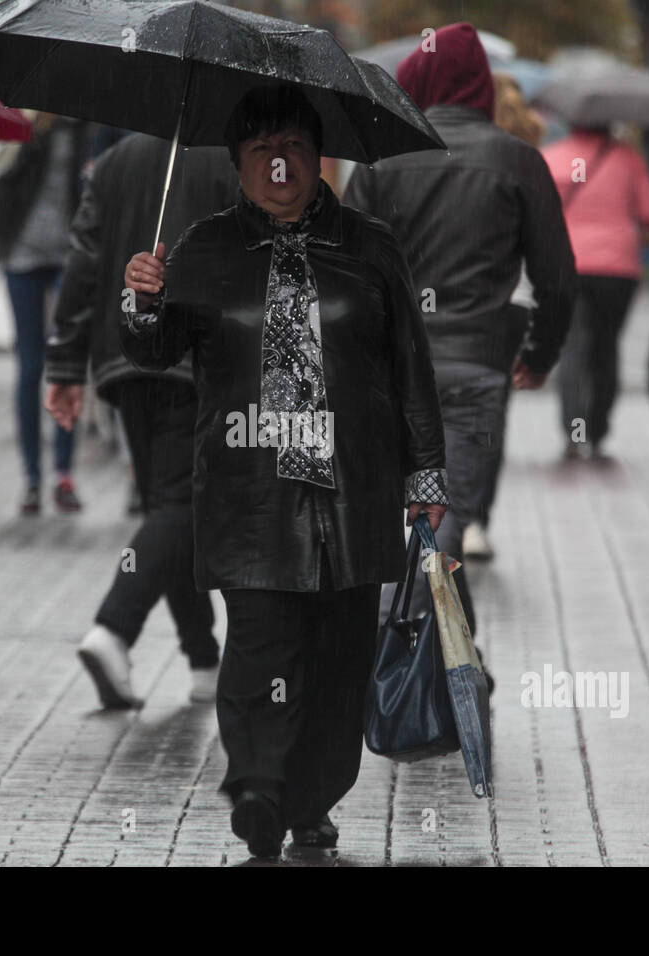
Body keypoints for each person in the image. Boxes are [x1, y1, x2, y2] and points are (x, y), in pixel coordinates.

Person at [122, 85, 448, 859]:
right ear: (237, 162)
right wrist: (142, 301)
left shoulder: (370, 245)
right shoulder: (203, 246)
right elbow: (154, 350)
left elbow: (410, 365)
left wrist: (426, 476)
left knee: (338, 657)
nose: (280, 162)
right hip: (250, 488)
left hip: (353, 484)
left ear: (319, 156)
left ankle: (313, 801)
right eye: (262, 147)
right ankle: (260, 787)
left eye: (295, 146)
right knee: (262, 642)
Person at [343, 22, 576, 627]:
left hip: (391, 375)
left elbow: (344, 268)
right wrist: (540, 352)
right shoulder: (517, 160)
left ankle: (456, 682)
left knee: (430, 531)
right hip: (477, 365)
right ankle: (384, 663)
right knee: (440, 536)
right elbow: (556, 276)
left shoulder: (381, 159)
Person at [43, 133, 236, 707]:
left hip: (123, 357)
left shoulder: (113, 162)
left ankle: (203, 660)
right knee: (181, 507)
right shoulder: (233, 158)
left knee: (169, 509)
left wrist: (64, 362)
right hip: (195, 358)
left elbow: (84, 262)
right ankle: (113, 628)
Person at [0, 112, 85, 515]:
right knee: (30, 364)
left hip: (69, 257)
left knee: (66, 361)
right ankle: (32, 479)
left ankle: (64, 474)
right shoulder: (18, 129)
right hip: (21, 254)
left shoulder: (83, 129)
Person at [542, 124, 649, 458]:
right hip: (617, 269)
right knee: (606, 347)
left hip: (566, 264)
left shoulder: (551, 158)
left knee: (573, 347)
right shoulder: (628, 159)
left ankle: (573, 431)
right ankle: (597, 431)